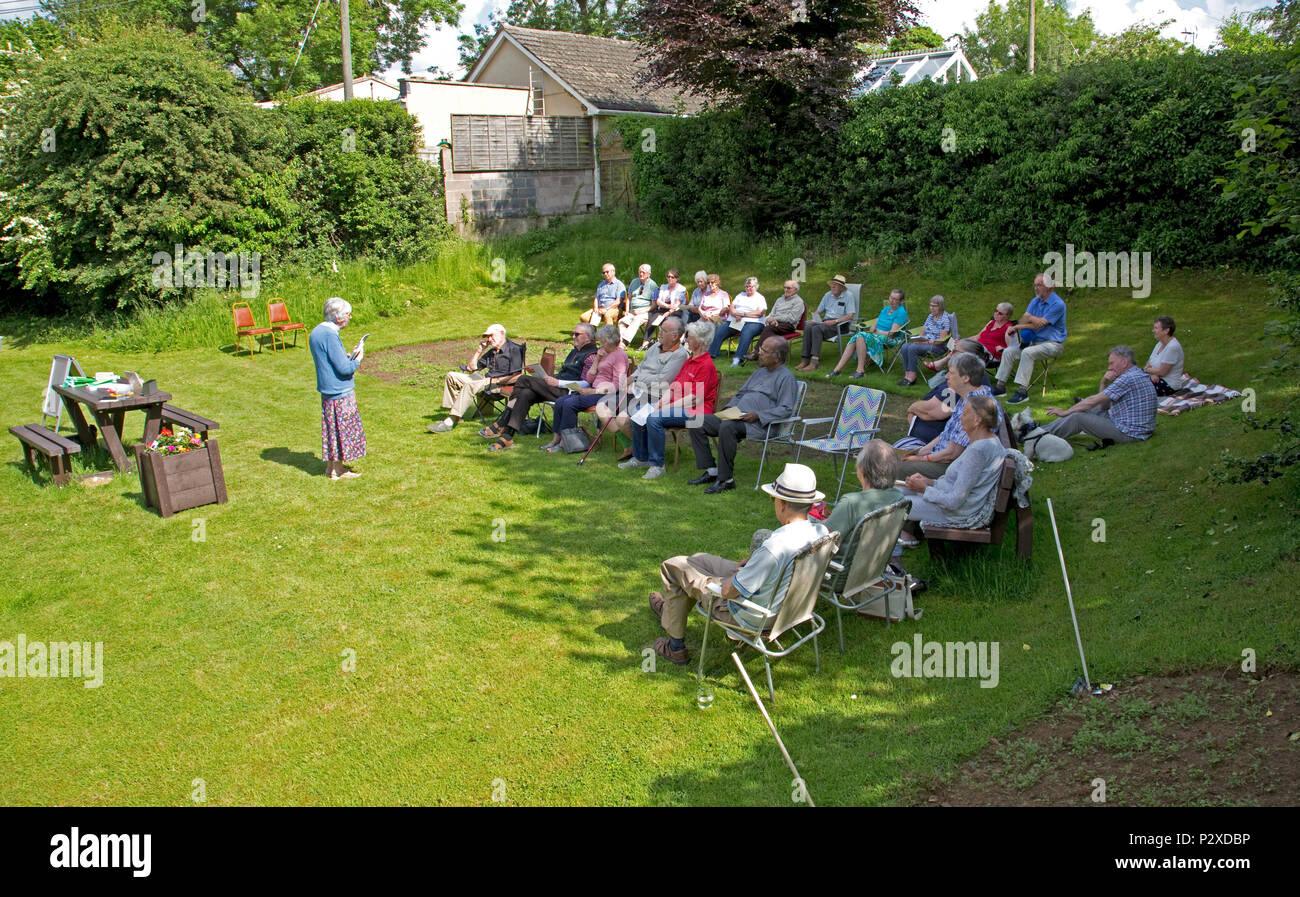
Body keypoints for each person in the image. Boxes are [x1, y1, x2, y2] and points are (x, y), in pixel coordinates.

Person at [647, 463, 830, 665]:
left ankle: (675, 648)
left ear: (783, 504)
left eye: (773, 499)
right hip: (788, 605)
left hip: (744, 613)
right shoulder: (820, 533)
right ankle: (672, 612)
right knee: (696, 559)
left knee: (673, 566)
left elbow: (727, 591)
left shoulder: (775, 548)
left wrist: (731, 578)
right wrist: (754, 564)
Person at [689, 336, 798, 494]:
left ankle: (726, 480)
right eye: (760, 349)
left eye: (764, 351)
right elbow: (740, 394)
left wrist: (758, 415)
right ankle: (712, 470)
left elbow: (786, 408)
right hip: (737, 417)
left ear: (777, 357)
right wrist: (729, 409)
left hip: (761, 425)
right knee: (695, 421)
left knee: (727, 427)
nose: (759, 353)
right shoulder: (759, 372)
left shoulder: (786, 378)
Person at [899, 395, 1007, 541]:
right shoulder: (984, 442)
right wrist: (930, 482)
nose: (960, 417)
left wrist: (924, 489)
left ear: (977, 420)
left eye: (965, 413)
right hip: (948, 500)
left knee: (892, 503)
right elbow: (956, 485)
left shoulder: (978, 451)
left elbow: (955, 501)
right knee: (895, 491)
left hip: (956, 513)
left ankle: (891, 547)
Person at [625, 320, 720, 480]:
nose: (686, 339)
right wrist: (662, 402)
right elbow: (674, 386)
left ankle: (657, 466)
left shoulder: (706, 365)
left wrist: (664, 407)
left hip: (695, 411)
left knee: (654, 418)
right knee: (638, 413)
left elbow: (694, 399)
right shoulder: (690, 361)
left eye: (689, 336)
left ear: (700, 341)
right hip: (675, 405)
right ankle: (641, 458)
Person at [480, 323, 598, 451]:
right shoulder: (576, 351)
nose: (573, 336)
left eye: (577, 334)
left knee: (523, 378)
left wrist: (557, 383)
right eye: (572, 334)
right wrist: (551, 378)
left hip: (570, 393)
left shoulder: (591, 355)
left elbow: (586, 383)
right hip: (557, 387)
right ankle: (507, 437)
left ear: (587, 337)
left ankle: (502, 422)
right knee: (526, 394)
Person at [1036, 345, 1156, 449]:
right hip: (1132, 426)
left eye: (1112, 363)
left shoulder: (1127, 379)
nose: (1109, 367)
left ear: (1124, 362)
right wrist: (1103, 382)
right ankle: (1041, 430)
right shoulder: (1135, 373)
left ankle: (1037, 437)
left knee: (1078, 417)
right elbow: (1103, 406)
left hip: (1130, 434)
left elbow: (1092, 401)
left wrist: (1065, 412)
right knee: (1083, 408)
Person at [601, 315, 688, 458]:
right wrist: (631, 378)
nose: (659, 332)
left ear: (674, 336)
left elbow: (663, 380)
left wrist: (637, 380)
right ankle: (634, 447)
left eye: (663, 330)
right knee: (603, 406)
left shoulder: (680, 355)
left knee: (622, 418)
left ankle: (642, 450)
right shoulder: (654, 346)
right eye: (660, 329)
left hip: (656, 395)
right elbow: (641, 367)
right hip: (638, 391)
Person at [897, 352, 993, 479]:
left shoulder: (974, 408)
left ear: (965, 378)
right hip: (940, 455)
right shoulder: (965, 398)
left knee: (892, 466)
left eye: (951, 373)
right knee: (886, 455)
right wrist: (919, 451)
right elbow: (945, 435)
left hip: (952, 468)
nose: (946, 376)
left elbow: (951, 454)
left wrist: (920, 458)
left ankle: (886, 497)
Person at [543, 325, 628, 451]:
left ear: (609, 341)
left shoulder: (619, 356)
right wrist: (597, 359)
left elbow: (616, 385)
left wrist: (593, 391)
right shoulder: (604, 353)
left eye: (602, 342)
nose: (600, 345)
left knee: (570, 403)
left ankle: (566, 442)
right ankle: (557, 438)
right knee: (561, 401)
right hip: (593, 389)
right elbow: (589, 379)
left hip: (605, 393)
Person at [428, 324, 525, 433]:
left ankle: (450, 422)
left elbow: (517, 376)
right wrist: (479, 350)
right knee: (452, 376)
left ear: (502, 334)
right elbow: (471, 368)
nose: (489, 339)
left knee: (470, 385)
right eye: (487, 337)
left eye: (491, 336)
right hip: (485, 381)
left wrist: (497, 380)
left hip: (499, 384)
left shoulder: (514, 350)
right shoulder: (492, 351)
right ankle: (456, 414)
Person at [309, 297, 366, 480]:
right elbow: (344, 369)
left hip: (327, 389)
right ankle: (338, 469)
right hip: (339, 390)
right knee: (343, 429)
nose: (350, 317)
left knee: (332, 429)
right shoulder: (330, 335)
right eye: (348, 314)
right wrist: (357, 359)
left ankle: (330, 467)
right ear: (338, 317)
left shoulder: (317, 332)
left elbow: (330, 360)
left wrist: (345, 356)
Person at [897, 341, 990, 448]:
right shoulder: (969, 375)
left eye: (954, 351)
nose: (950, 353)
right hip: (931, 440)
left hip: (930, 442)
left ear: (969, 357)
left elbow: (936, 411)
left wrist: (912, 408)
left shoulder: (964, 381)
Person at [993, 273, 1067, 405]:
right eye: (1035, 285)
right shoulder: (1035, 301)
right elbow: (1024, 319)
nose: (1036, 288)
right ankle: (1000, 387)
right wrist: (1026, 322)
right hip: (1034, 342)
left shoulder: (1058, 304)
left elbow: (1040, 324)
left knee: (1027, 353)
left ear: (1049, 287)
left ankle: (1022, 392)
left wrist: (1026, 320)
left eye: (1039, 285)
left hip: (1052, 344)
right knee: (1009, 351)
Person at [829, 288, 908, 377]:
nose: (892, 301)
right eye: (891, 297)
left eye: (895, 299)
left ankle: (859, 370)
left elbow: (892, 333)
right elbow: (877, 321)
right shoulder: (886, 309)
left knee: (860, 336)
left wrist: (876, 332)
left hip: (890, 339)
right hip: (877, 335)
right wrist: (873, 327)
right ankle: (838, 369)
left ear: (901, 301)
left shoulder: (901, 313)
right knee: (858, 337)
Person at [926, 302, 1014, 372]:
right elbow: (978, 336)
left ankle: (943, 366)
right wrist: (963, 341)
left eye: (1000, 313)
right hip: (978, 347)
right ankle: (949, 369)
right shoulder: (991, 322)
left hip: (989, 354)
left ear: (1007, 316)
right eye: (996, 310)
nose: (996, 314)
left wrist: (1002, 348)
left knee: (961, 349)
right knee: (954, 342)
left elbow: (1012, 348)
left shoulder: (1008, 328)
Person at [796, 274, 858, 372]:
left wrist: (835, 321)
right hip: (826, 322)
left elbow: (850, 315)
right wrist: (815, 318)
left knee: (816, 329)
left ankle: (814, 362)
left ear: (842, 287)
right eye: (832, 284)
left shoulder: (848, 296)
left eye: (836, 285)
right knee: (808, 326)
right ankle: (805, 359)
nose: (833, 287)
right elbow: (818, 311)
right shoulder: (828, 295)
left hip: (840, 324)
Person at [897, 295, 955, 387]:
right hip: (926, 343)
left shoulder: (945, 318)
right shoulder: (930, 316)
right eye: (930, 305)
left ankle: (912, 377)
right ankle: (906, 374)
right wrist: (918, 339)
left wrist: (924, 342)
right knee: (905, 346)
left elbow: (941, 340)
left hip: (937, 347)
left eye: (934, 306)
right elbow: (923, 332)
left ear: (940, 306)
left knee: (912, 348)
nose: (931, 308)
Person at [711, 276, 766, 364]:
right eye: (746, 286)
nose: (748, 288)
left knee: (746, 332)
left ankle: (738, 358)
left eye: (750, 286)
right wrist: (735, 314)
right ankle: (712, 354)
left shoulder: (760, 298)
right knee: (722, 330)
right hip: (738, 321)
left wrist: (743, 314)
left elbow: (760, 312)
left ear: (756, 287)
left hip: (754, 323)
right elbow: (732, 307)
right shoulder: (741, 295)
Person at [751, 280, 805, 355]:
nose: (786, 290)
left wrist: (775, 319)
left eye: (788, 288)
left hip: (788, 326)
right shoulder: (779, 300)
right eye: (785, 287)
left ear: (795, 290)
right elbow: (772, 314)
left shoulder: (798, 302)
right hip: (774, 323)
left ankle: (756, 352)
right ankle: (764, 354)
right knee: (759, 326)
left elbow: (792, 318)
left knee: (769, 329)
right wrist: (767, 319)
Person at [1143, 315, 1185, 394]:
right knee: (1132, 375)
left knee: (1136, 384)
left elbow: (1162, 372)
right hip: (1155, 378)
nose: (1153, 331)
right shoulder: (1160, 343)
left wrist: (1147, 370)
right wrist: (1152, 374)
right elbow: (1149, 363)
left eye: (1156, 328)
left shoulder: (1172, 347)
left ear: (1166, 331)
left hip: (1168, 385)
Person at [618, 263, 658, 346]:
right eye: (640, 272)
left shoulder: (653, 286)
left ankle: (624, 342)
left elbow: (654, 305)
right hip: (633, 311)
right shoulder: (634, 282)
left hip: (646, 312)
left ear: (649, 274)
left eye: (643, 272)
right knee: (621, 321)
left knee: (637, 319)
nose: (641, 274)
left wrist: (642, 311)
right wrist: (627, 310)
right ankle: (622, 341)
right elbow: (629, 298)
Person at [645, 269, 687, 341]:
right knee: (652, 319)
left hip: (676, 311)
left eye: (672, 277)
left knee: (667, 319)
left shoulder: (681, 289)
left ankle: (666, 340)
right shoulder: (663, 287)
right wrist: (667, 306)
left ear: (677, 278)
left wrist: (668, 312)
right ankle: (645, 342)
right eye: (668, 276)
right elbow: (658, 301)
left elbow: (677, 304)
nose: (670, 278)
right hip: (663, 308)